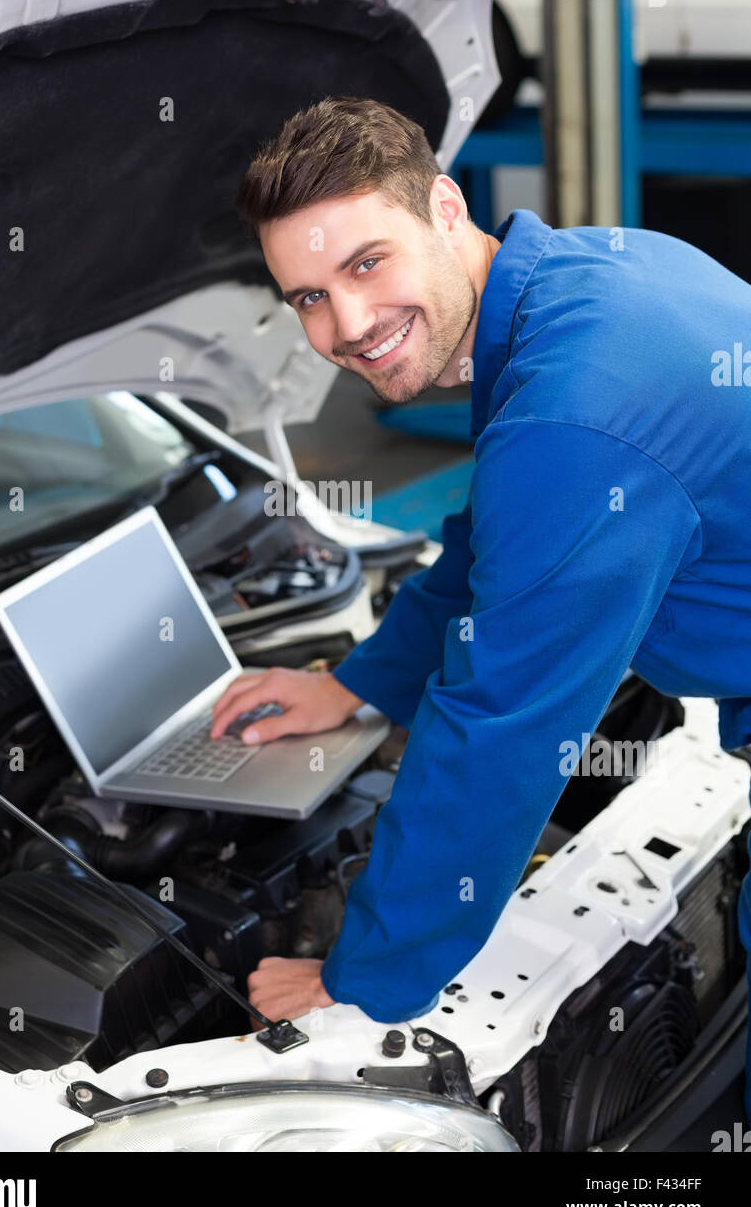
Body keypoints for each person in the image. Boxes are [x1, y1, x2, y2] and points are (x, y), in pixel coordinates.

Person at [209, 95, 751, 1121]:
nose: (346, 326)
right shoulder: (578, 278)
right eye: (307, 297)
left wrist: (362, 977)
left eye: (366, 263)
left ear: (444, 207)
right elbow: (488, 554)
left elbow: (501, 727)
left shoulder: (576, 413)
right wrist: (352, 685)